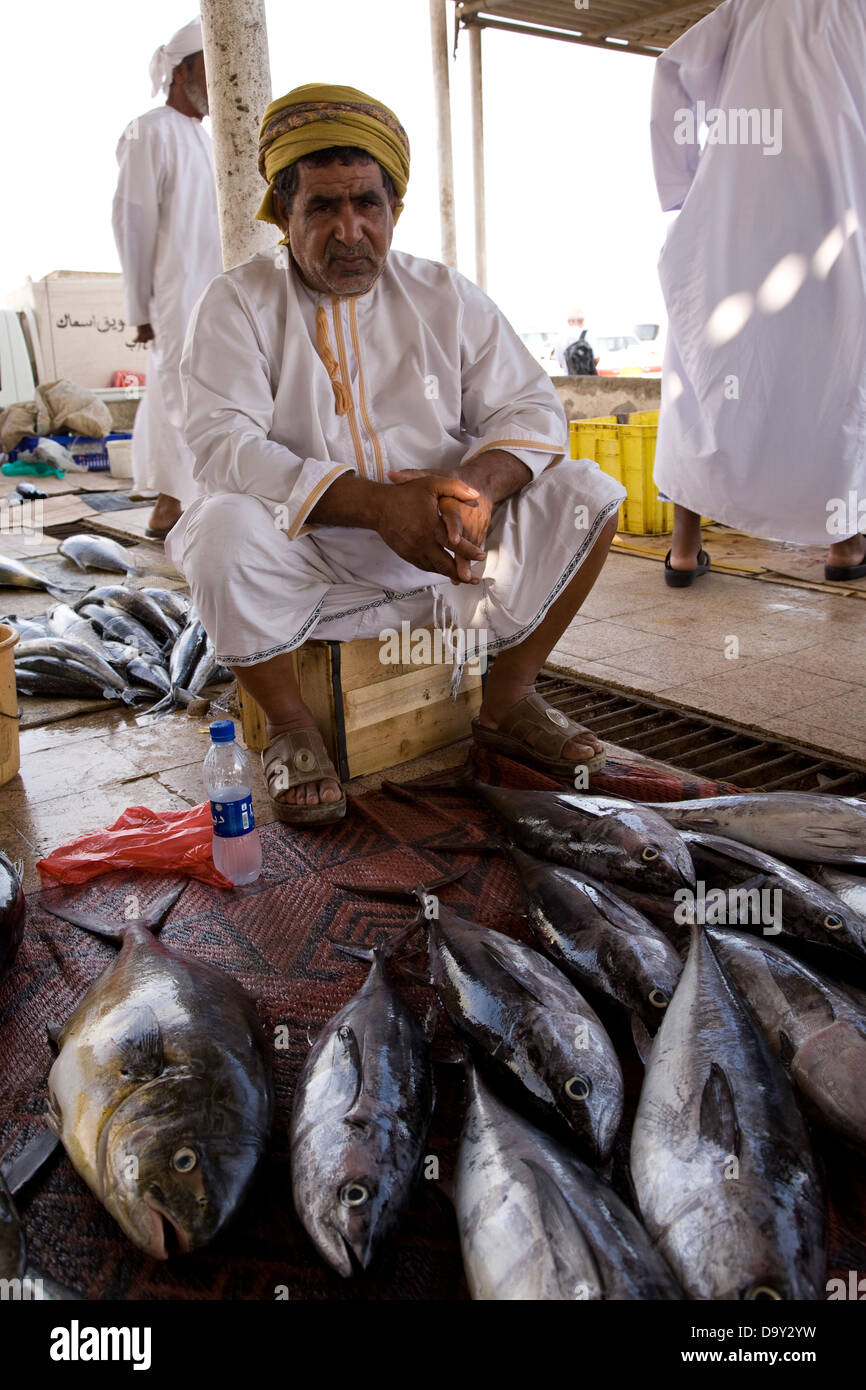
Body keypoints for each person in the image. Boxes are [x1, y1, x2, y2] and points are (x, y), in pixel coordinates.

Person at [167, 83, 626, 824]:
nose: (350, 231)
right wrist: (375, 507)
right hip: (309, 550)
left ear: (394, 211)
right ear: (283, 215)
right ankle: (291, 729)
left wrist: (472, 489)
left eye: (367, 205)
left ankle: (507, 702)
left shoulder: (445, 295)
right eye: (322, 207)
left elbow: (533, 407)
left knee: (588, 494)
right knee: (218, 532)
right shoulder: (238, 303)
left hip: (451, 540)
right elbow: (223, 444)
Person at [650, 0, 866, 587]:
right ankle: (845, 547)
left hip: (736, 213)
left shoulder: (749, 7)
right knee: (838, 374)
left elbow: (673, 69)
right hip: (836, 209)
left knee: (700, 376)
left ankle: (685, 549)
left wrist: (686, 183)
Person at [112, 17, 223, 539]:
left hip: (214, 294)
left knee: (195, 396)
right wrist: (139, 309)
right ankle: (177, 507)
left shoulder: (205, 140)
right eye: (209, 65)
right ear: (182, 71)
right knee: (182, 400)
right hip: (176, 297)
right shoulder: (149, 130)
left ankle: (180, 506)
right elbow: (132, 222)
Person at [554, 310, 595, 374]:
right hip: (587, 379)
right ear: (582, 320)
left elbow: (560, 364)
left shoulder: (559, 337)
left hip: (568, 379)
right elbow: (597, 358)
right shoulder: (588, 334)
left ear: (568, 321)